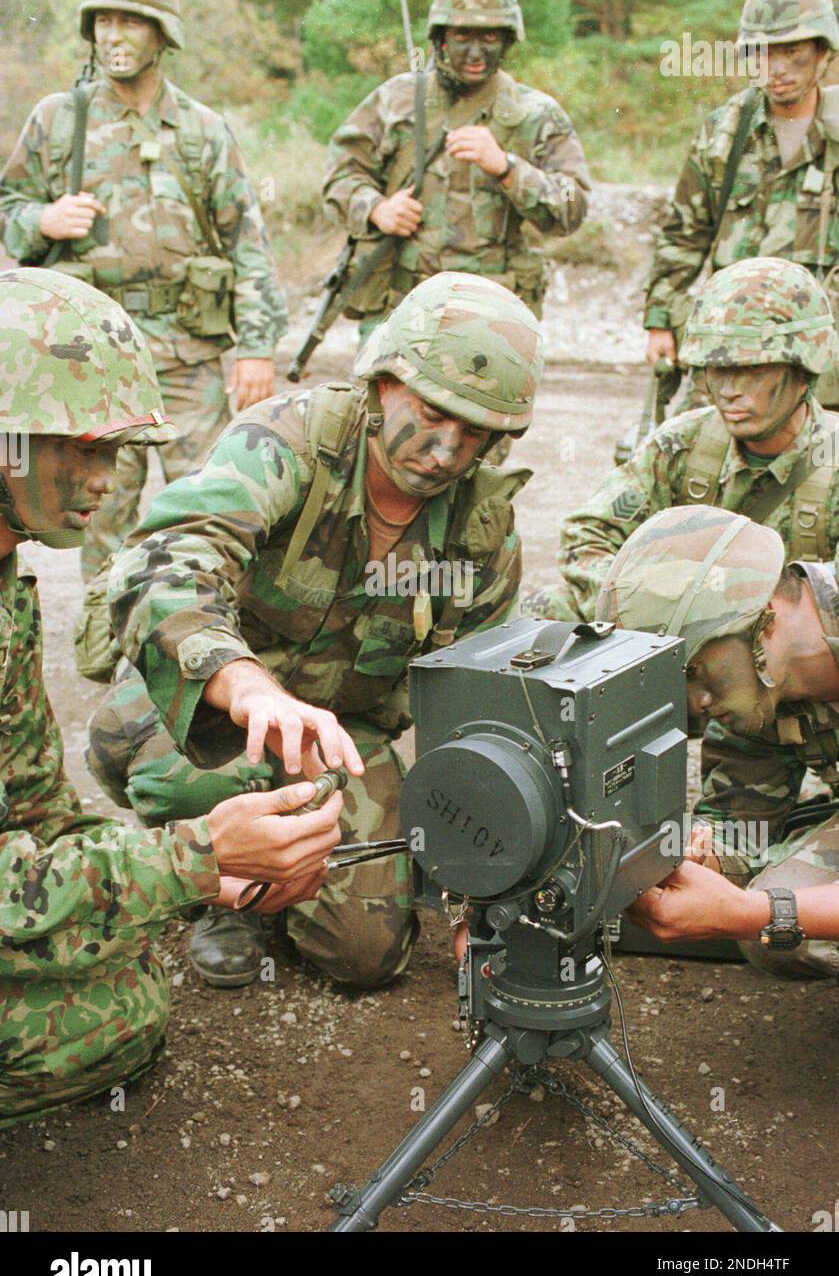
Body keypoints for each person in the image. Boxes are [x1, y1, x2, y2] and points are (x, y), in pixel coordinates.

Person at [83, 271, 543, 990]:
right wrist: (246, 690)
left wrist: (479, 891)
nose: (446, 449)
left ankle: (289, 864)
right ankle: (219, 884)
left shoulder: (481, 523)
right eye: (430, 412)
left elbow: (480, 704)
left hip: (344, 737)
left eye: (475, 432)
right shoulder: (289, 441)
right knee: (156, 768)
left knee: (364, 958)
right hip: (223, 705)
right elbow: (167, 558)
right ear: (384, 383)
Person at [0, 269, 345, 1127]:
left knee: (124, 1000)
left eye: (116, 452)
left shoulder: (9, 577)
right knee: (76, 1031)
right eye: (78, 448)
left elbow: (36, 812)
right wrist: (191, 856)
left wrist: (212, 883)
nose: (104, 482)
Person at [0, 0, 287, 582]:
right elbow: (9, 207)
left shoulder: (203, 131)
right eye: (102, 20)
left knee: (218, 504)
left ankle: (208, 638)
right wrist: (42, 219)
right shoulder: (59, 119)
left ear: (163, 34)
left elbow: (248, 244)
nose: (113, 34)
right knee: (98, 515)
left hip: (186, 355)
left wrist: (256, 349)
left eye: (130, 20)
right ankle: (109, 658)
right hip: (89, 362)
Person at [597, 503, 839, 978]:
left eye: (694, 671)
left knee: (777, 917)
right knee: (783, 938)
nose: (696, 703)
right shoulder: (758, 697)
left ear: (762, 622)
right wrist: (696, 858)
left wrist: (754, 913)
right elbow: (741, 824)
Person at [525, 257, 839, 622]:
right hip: (676, 636)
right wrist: (653, 608)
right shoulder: (683, 443)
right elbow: (588, 537)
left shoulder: (830, 464)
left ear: (805, 367)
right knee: (546, 611)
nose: (728, 391)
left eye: (752, 370)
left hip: (785, 652)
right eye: (717, 370)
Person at [322, 0, 590, 340]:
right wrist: (378, 209)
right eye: (463, 36)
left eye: (491, 38)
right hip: (402, 312)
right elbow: (339, 177)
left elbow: (573, 207)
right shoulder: (397, 100)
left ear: (508, 39)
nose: (477, 52)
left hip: (494, 323)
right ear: (441, 38)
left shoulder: (536, 115)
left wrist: (508, 169)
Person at [643, 0, 839, 412]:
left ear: (823, 52)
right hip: (730, 347)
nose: (778, 69)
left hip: (821, 359)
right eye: (763, 53)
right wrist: (659, 322)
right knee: (704, 466)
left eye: (793, 52)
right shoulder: (726, 131)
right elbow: (683, 233)